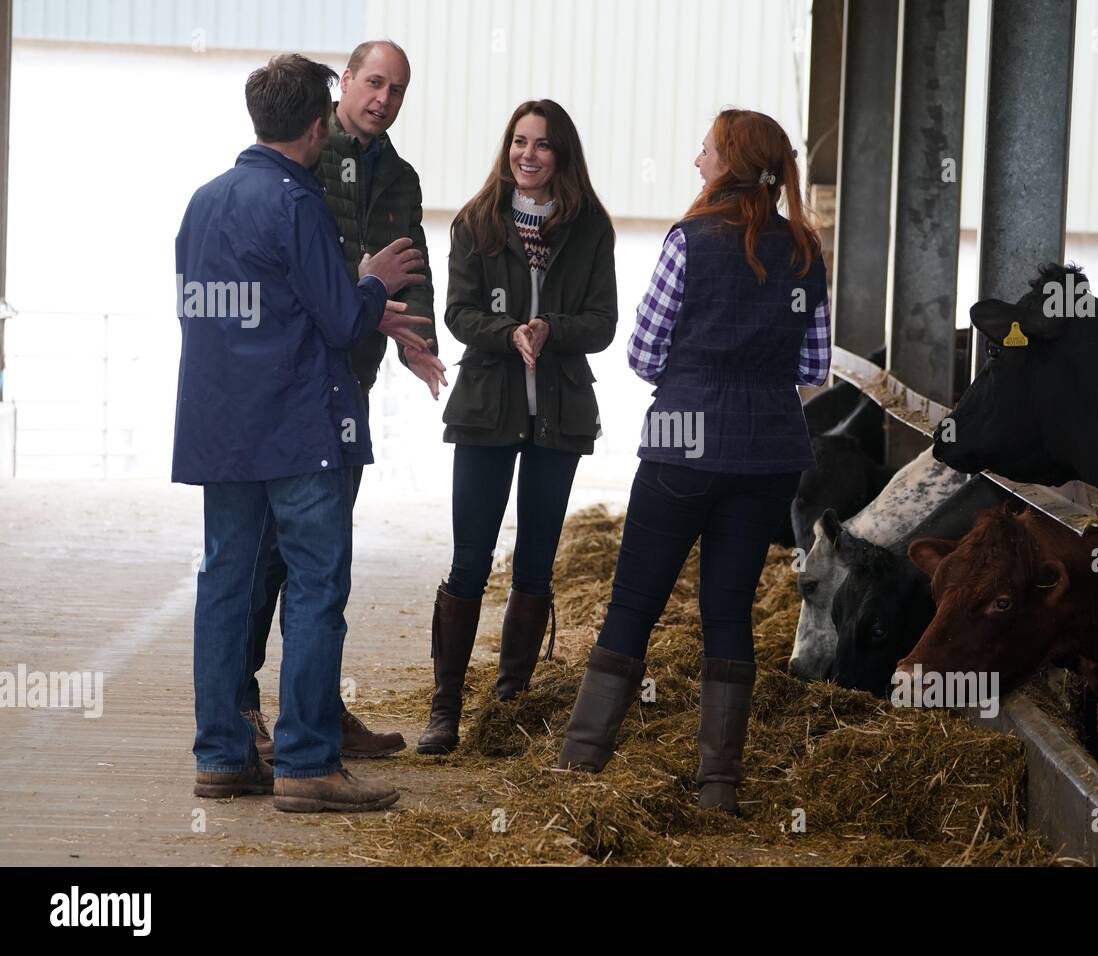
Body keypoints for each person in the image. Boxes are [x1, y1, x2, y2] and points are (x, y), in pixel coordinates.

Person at [175, 53, 432, 812]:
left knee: (226, 583)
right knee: (316, 589)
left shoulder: (203, 201)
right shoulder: (298, 204)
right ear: (317, 125)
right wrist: (375, 281)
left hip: (220, 429)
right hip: (296, 428)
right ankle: (308, 763)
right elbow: (342, 317)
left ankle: (222, 755)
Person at [557, 109, 831, 814]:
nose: (696, 160)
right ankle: (717, 786)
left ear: (730, 160)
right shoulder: (805, 249)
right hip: (769, 452)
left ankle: (581, 761)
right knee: (729, 611)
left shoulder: (689, 241)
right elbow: (813, 364)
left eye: (706, 149)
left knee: (633, 603)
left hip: (683, 441)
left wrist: (699, 375)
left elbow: (645, 353)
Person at [240, 39, 447, 763]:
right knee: (272, 555)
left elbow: (409, 262)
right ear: (346, 83)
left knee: (324, 558)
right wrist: (361, 285)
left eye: (398, 90)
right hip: (291, 379)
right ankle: (244, 712)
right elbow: (289, 261)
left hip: (348, 383)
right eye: (374, 83)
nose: (384, 99)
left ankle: (317, 709)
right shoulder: (303, 151)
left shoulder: (401, 176)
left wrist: (414, 337)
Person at [417, 99, 617, 755]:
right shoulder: (477, 223)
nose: (527, 155)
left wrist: (551, 330)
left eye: (542, 145)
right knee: (470, 559)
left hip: (559, 414)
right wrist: (509, 333)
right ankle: (444, 712)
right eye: (518, 142)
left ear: (562, 155)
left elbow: (603, 322)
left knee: (536, 561)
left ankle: (510, 704)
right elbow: (458, 313)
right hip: (485, 409)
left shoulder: (591, 229)